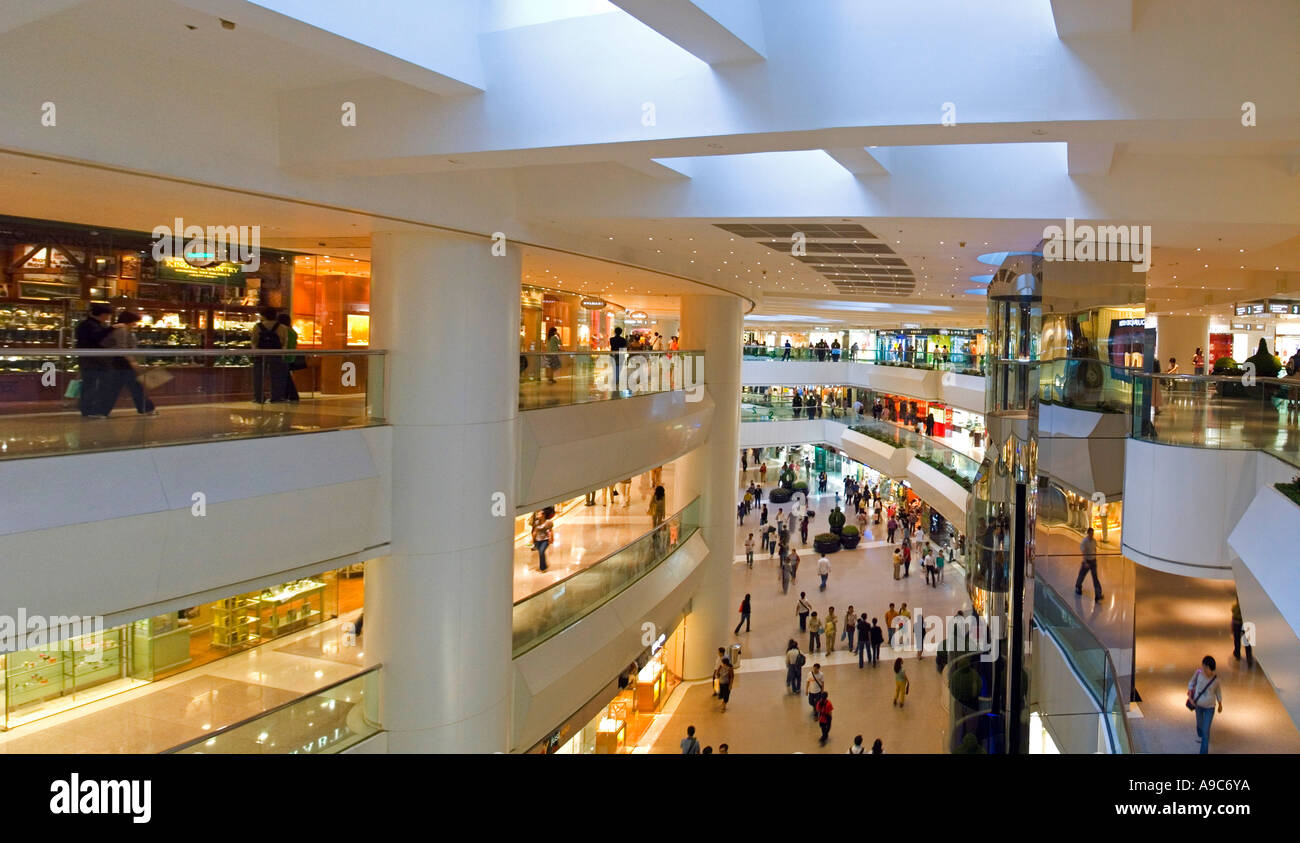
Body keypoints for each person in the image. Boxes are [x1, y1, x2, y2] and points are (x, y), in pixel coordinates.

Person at [99, 311, 158, 416]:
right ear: (129, 321)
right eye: (134, 322)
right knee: (129, 386)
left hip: (121, 362)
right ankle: (146, 408)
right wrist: (132, 361)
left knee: (127, 386)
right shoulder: (121, 331)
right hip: (121, 362)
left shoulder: (125, 330)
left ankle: (102, 410)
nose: (135, 324)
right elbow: (122, 347)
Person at [74, 303, 116, 418]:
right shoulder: (90, 325)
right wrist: (112, 328)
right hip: (92, 360)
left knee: (90, 384)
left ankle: (88, 409)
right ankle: (90, 410)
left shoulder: (86, 324)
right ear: (102, 315)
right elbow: (96, 338)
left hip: (89, 359)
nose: (108, 318)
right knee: (92, 384)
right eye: (107, 315)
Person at [251, 306, 289, 403]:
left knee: (258, 377)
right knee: (277, 377)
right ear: (275, 315)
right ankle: (276, 397)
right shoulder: (282, 327)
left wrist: (255, 352)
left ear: (263, 315)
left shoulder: (257, 327)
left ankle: (259, 397)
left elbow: (254, 342)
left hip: (260, 354)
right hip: (276, 354)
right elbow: (284, 343)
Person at [1187, 656, 1223, 754]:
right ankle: (1201, 735)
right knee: (1199, 724)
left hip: (1210, 707)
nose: (1208, 671)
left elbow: (1218, 692)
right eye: (1207, 668)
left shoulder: (1216, 680)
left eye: (1210, 670)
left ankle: (1203, 750)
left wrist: (1220, 704)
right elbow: (1191, 683)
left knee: (1206, 729)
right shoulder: (1198, 673)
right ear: (1204, 666)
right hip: (1198, 705)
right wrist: (1190, 696)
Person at [276, 313, 302, 402]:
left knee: (285, 377)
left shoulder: (282, 330)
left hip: (284, 357)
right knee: (286, 375)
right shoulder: (292, 331)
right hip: (291, 356)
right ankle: (289, 395)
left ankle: (291, 395)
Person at [1075, 527, 1103, 601]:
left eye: (1093, 533)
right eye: (1091, 533)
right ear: (1088, 533)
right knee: (1082, 575)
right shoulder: (1085, 541)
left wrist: (1095, 558)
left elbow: (1095, 549)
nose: (1092, 535)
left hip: (1093, 561)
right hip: (1087, 561)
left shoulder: (1094, 541)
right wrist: (1085, 562)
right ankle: (1078, 587)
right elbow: (1083, 552)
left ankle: (1098, 594)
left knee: (1095, 578)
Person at [530, 507, 555, 572]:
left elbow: (550, 531)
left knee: (541, 551)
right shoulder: (536, 522)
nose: (538, 515)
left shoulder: (548, 522)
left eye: (539, 514)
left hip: (545, 540)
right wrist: (533, 540)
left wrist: (551, 538)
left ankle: (542, 568)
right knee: (541, 552)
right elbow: (535, 531)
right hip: (538, 540)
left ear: (543, 515)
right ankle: (544, 565)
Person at [1231, 600, 1253, 666]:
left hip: (1236, 624)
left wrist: (1232, 626)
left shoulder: (1234, 607)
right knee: (1247, 642)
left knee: (1237, 639)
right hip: (1246, 624)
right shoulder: (1248, 607)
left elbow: (1233, 617)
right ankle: (1249, 657)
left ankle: (1237, 653)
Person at [609, 326, 628, 393]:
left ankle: (615, 380)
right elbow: (624, 348)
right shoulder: (623, 340)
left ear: (615, 332)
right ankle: (616, 380)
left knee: (614, 369)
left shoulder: (611, 339)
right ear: (621, 332)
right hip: (620, 356)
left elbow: (612, 347)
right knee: (619, 369)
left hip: (613, 355)